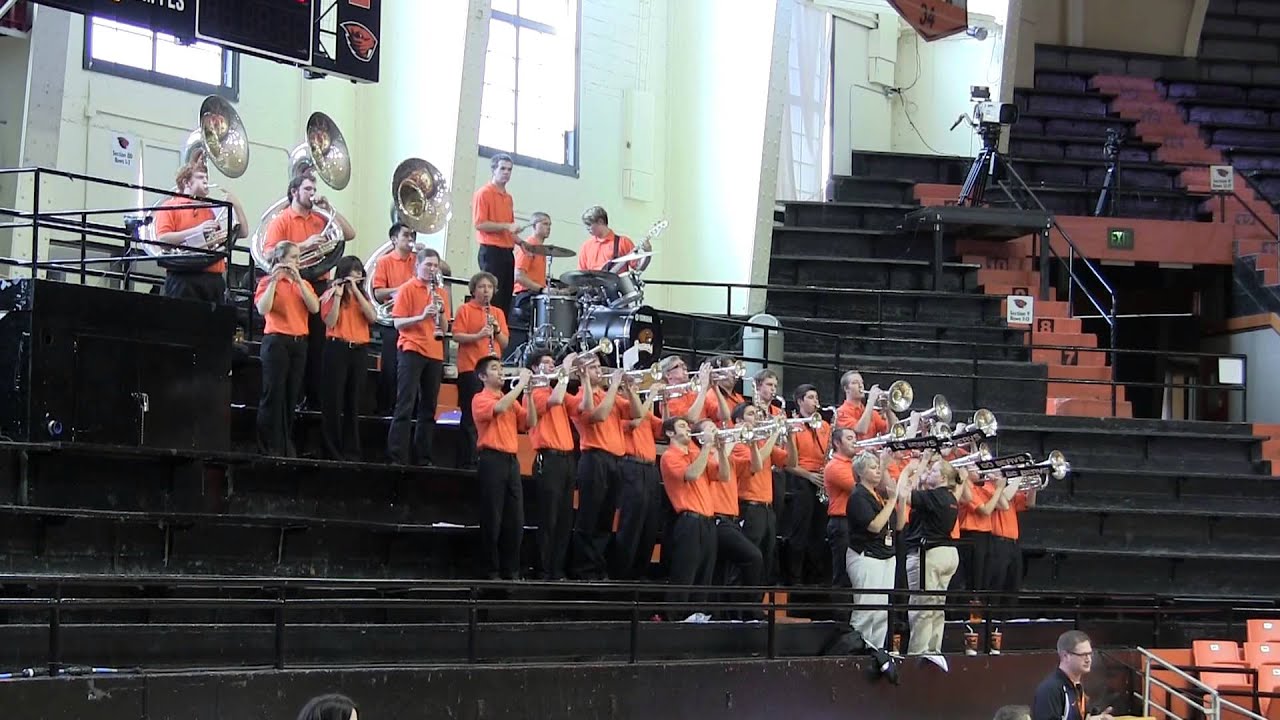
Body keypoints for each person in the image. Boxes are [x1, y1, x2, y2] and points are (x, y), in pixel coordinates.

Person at [263, 174, 357, 411]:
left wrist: (330, 210)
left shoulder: (320, 217)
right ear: (294, 191)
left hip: (318, 283)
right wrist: (305, 244)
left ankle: (313, 400)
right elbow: (267, 253)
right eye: (307, 189)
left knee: (317, 346)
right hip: (293, 284)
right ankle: (296, 398)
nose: (312, 193)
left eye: (314, 189)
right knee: (299, 343)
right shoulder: (282, 219)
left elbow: (349, 233)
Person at [472, 355, 536, 580]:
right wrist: (519, 385)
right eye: (495, 369)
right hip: (492, 459)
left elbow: (530, 422)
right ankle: (491, 570)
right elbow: (499, 408)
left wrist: (528, 392)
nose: (500, 372)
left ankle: (511, 569)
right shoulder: (481, 398)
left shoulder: (510, 398)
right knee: (493, 517)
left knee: (515, 519)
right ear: (482, 376)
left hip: (511, 461)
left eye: (501, 368)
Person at [386, 248, 451, 466]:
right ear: (418, 266)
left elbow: (444, 326)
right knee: (405, 403)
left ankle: (423, 456)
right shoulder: (407, 289)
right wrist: (422, 316)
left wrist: (440, 314)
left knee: (429, 407)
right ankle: (397, 456)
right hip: (411, 349)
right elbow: (397, 323)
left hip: (434, 351)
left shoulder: (441, 293)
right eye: (428, 265)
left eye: (435, 266)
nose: (432, 270)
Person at [899, 451, 965, 665]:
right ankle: (933, 649)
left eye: (935, 471)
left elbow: (904, 494)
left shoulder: (935, 496)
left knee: (921, 606)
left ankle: (916, 655)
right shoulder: (950, 498)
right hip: (948, 553)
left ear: (943, 478)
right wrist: (925, 464)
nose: (930, 472)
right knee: (937, 605)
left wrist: (907, 472)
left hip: (930, 553)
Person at [254, 241, 319, 456]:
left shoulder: (304, 285)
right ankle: (268, 446)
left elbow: (314, 308)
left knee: (291, 395)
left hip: (299, 343)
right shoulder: (266, 282)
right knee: (273, 394)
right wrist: (274, 279)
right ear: (281, 260)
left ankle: (284, 445)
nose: (297, 263)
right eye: (293, 258)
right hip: (276, 341)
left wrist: (298, 280)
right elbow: (263, 308)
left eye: (299, 258)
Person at [152, 160, 246, 303]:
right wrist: (198, 230)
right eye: (201, 177)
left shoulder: (212, 209)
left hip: (213, 279)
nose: (206, 181)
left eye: (206, 178)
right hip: (183, 276)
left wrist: (236, 205)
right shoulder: (170, 206)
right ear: (187, 182)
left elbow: (243, 232)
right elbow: (163, 240)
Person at [565, 357, 626, 580]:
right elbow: (598, 415)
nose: (599, 370)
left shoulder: (612, 396)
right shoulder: (582, 396)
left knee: (605, 518)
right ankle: (582, 569)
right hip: (594, 459)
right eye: (592, 367)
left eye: (599, 367)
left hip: (614, 461)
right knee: (589, 516)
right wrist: (615, 387)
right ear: (582, 372)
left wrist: (627, 387)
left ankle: (597, 566)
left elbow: (637, 414)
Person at [660, 416, 724, 621]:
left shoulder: (695, 452)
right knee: (685, 573)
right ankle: (675, 618)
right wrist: (706, 447)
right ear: (670, 433)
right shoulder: (670, 456)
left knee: (705, 573)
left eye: (688, 426)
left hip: (707, 520)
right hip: (689, 520)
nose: (688, 429)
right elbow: (692, 474)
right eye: (682, 426)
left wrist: (721, 450)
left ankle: (696, 616)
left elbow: (723, 475)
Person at [729, 401, 796, 585]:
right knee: (748, 559)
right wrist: (775, 432)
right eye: (751, 414)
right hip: (749, 506)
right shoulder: (736, 443)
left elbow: (791, 462)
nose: (758, 417)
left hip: (767, 508)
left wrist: (790, 437)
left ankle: (755, 607)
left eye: (758, 414)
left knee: (765, 559)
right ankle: (740, 609)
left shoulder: (761, 442)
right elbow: (756, 463)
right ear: (738, 420)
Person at [845, 448, 905, 652]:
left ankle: (876, 651)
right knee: (866, 609)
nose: (878, 471)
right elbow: (874, 526)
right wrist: (891, 501)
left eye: (878, 467)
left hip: (886, 555)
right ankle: (855, 651)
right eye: (873, 468)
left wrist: (900, 500)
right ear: (861, 473)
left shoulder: (878, 496)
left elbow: (898, 526)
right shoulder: (858, 496)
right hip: (866, 555)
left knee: (881, 611)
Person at [318, 255, 377, 460]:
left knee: (354, 402)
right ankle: (331, 450)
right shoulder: (330, 294)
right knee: (333, 402)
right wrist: (337, 296)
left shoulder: (364, 297)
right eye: (352, 272)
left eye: (359, 272)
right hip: (337, 348)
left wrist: (357, 293)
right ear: (343, 274)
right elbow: (330, 321)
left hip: (359, 350)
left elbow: (372, 317)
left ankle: (352, 451)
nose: (357, 275)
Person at [527, 351, 579, 581]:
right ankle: (542, 569)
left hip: (567, 460)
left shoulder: (556, 389)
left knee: (565, 518)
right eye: (546, 363)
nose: (551, 366)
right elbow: (555, 400)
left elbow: (581, 406)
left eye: (552, 362)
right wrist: (565, 370)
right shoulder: (535, 391)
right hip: (549, 459)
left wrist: (586, 378)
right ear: (536, 369)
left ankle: (557, 569)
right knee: (549, 518)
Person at [451, 271, 509, 469]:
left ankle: (484, 455)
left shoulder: (498, 313)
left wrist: (497, 331)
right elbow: (457, 336)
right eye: (482, 287)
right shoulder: (465, 309)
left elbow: (505, 342)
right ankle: (467, 459)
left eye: (490, 287)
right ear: (474, 290)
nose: (486, 291)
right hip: (470, 368)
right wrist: (478, 335)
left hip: (493, 370)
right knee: (470, 415)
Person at [611, 377, 666, 580]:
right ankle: (623, 575)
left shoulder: (645, 411)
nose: (635, 390)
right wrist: (650, 394)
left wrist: (665, 401)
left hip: (650, 469)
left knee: (649, 525)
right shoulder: (618, 409)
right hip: (631, 466)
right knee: (632, 523)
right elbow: (635, 421)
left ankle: (639, 574)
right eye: (631, 387)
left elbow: (664, 429)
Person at [783, 383, 832, 586]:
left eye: (816, 397)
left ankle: (815, 579)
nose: (816, 401)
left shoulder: (825, 426)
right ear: (800, 401)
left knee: (818, 533)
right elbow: (787, 463)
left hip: (820, 480)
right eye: (811, 397)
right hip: (800, 480)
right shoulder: (792, 425)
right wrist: (809, 476)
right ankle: (794, 579)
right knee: (799, 533)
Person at [370, 222, 418, 414]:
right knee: (390, 367)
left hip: (415, 319)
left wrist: (427, 254)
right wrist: (403, 290)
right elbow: (379, 293)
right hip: (392, 319)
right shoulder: (384, 261)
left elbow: (444, 269)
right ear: (394, 239)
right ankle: (384, 409)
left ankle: (407, 410)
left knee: (412, 370)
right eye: (406, 235)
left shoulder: (419, 260)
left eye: (412, 235)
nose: (410, 239)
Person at [473, 154, 523, 315]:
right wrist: (507, 226)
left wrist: (522, 243)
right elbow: (479, 223)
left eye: (509, 169)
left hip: (507, 252)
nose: (506, 172)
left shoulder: (508, 198)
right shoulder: (484, 193)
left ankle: (500, 333)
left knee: (506, 298)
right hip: (491, 251)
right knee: (493, 296)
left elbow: (509, 229)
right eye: (502, 168)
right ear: (493, 170)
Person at [1032, 631, 1113, 720]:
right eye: (1083, 655)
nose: (1088, 659)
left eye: (1090, 654)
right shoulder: (1050, 690)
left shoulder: (1078, 687)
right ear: (1065, 656)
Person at [577, 205, 652, 274]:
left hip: (617, 287)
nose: (587, 228)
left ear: (600, 221)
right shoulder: (586, 246)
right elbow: (581, 273)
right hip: (592, 287)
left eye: (589, 224)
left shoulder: (623, 242)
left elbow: (638, 267)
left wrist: (647, 252)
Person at [835, 371, 898, 440]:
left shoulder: (871, 412)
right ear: (846, 389)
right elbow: (861, 430)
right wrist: (871, 401)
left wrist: (887, 409)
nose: (860, 386)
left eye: (862, 382)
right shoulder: (841, 412)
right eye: (855, 382)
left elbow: (892, 431)